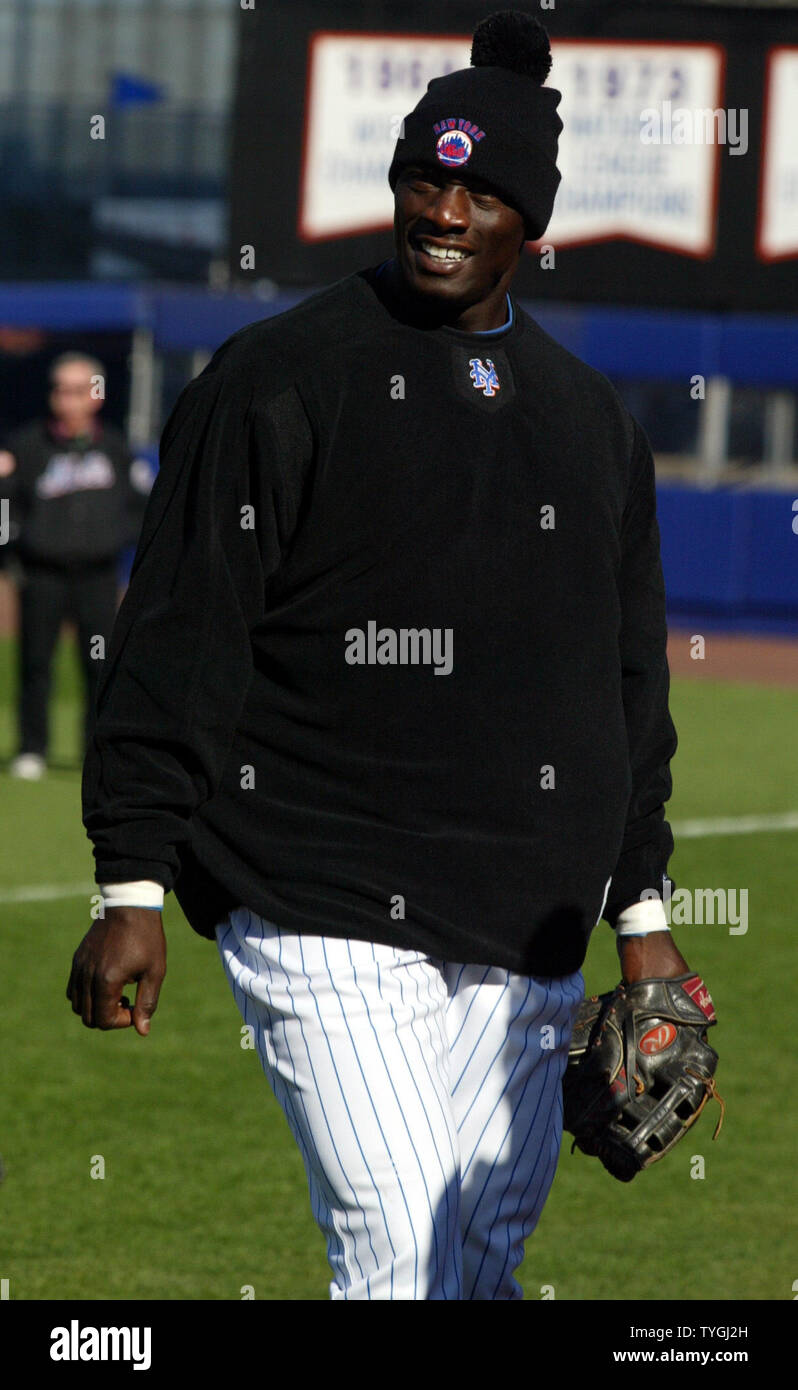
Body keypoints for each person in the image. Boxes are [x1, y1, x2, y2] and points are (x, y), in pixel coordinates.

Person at [67, 12, 694, 1300]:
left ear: (534, 220)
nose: (445, 210)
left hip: (527, 926)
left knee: (469, 1262)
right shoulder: (279, 380)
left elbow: (629, 685)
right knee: (404, 1247)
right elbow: (180, 631)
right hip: (318, 894)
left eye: (481, 189)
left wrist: (645, 917)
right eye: (425, 177)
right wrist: (130, 882)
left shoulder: (588, 427)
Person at [2, 350, 152, 778]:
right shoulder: (28, 446)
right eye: (59, 390)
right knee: (35, 663)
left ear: (96, 395)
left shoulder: (117, 450)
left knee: (100, 664)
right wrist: (10, 546)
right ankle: (32, 749)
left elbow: (143, 506)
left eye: (76, 390)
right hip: (41, 573)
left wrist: (121, 539)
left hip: (98, 575)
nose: (66, 399)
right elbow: (5, 503)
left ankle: (97, 751)